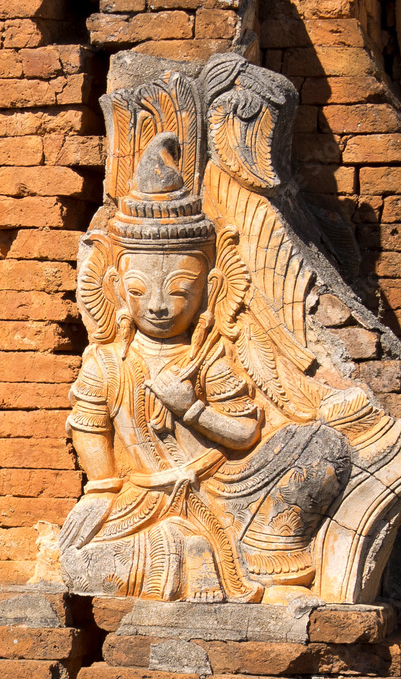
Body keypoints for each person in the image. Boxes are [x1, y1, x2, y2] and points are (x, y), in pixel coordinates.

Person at [61, 133, 349, 602]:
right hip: (144, 501)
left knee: (321, 445)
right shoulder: (107, 363)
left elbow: (244, 434)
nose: (157, 306)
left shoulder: (209, 354)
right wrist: (100, 488)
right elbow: (89, 427)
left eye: (178, 291)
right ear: (115, 285)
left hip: (224, 484)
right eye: (139, 291)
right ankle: (189, 552)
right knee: (78, 562)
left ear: (209, 288)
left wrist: (192, 409)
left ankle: (262, 550)